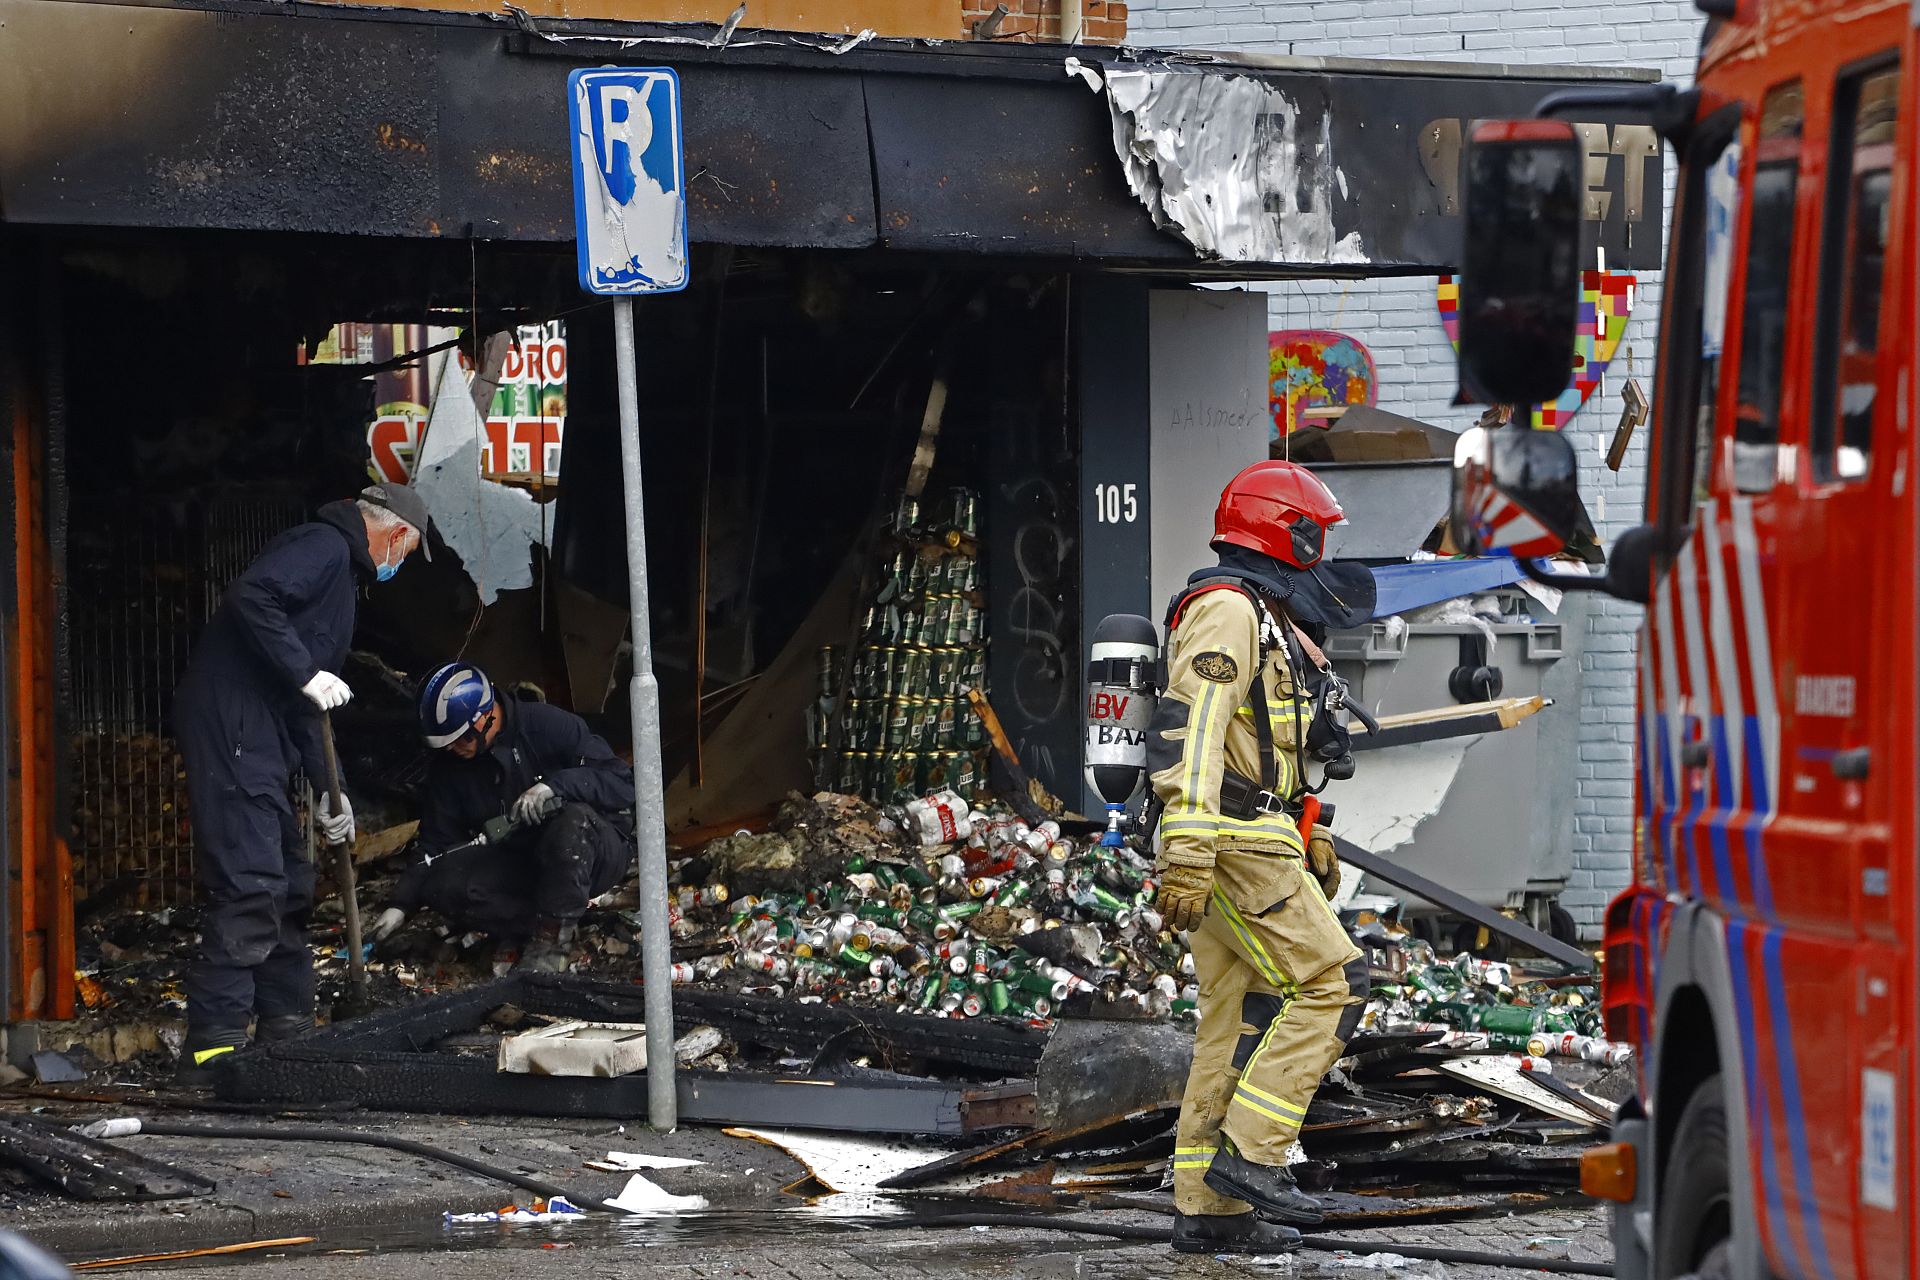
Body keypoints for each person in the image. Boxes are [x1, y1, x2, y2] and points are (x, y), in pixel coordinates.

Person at [1148, 459, 1377, 1255]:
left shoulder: (1266, 616)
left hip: (1251, 833)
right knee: (1334, 985)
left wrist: (1312, 824)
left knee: (1235, 1019)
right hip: (1230, 840)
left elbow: (1273, 743)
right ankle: (1254, 1157)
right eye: (1317, 532)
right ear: (1289, 529)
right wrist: (1189, 843)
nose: (1324, 549)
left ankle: (1209, 1214)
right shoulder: (1225, 609)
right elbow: (1195, 726)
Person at [175, 484, 433, 1083]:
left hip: (265, 729)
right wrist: (304, 670)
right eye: (406, 549)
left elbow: (306, 711)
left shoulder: (341, 584)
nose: (398, 562)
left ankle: (286, 1039)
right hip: (233, 721)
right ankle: (213, 1055)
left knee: (289, 884)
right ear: (394, 535)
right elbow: (253, 593)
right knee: (251, 884)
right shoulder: (323, 548)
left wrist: (330, 793)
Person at [367, 662, 635, 972]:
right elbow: (437, 844)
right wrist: (401, 904)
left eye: (461, 739)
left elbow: (620, 784)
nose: (454, 749)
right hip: (521, 859)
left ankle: (551, 946)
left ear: (486, 716)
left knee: (571, 824)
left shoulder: (548, 726)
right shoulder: (450, 767)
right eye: (447, 743)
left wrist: (554, 786)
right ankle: (545, 922)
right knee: (441, 884)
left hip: (594, 852)